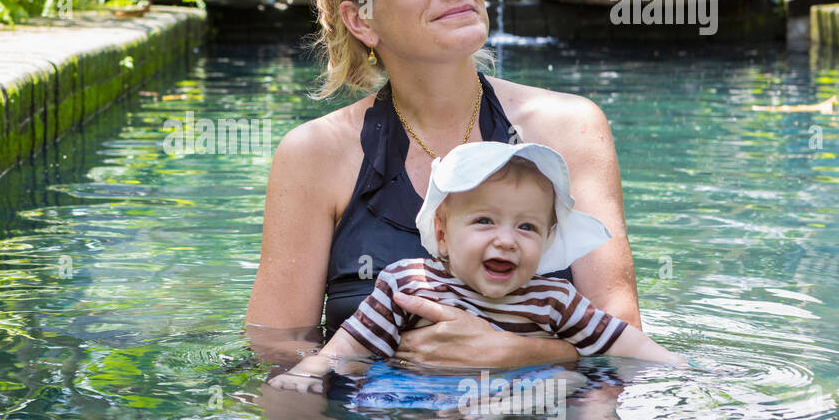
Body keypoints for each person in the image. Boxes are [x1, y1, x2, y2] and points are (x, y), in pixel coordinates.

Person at [244, 0, 644, 369]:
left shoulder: (568, 129)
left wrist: (515, 353)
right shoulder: (316, 154)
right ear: (361, 19)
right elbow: (277, 354)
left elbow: (627, 344)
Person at [269, 142, 685, 393]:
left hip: (514, 399)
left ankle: (493, 411)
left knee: (565, 381)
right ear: (443, 234)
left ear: (546, 240)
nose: (506, 239)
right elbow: (352, 341)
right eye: (485, 221)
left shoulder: (553, 299)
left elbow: (622, 342)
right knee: (373, 387)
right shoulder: (410, 281)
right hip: (414, 393)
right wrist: (310, 371)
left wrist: (679, 369)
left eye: (527, 227)